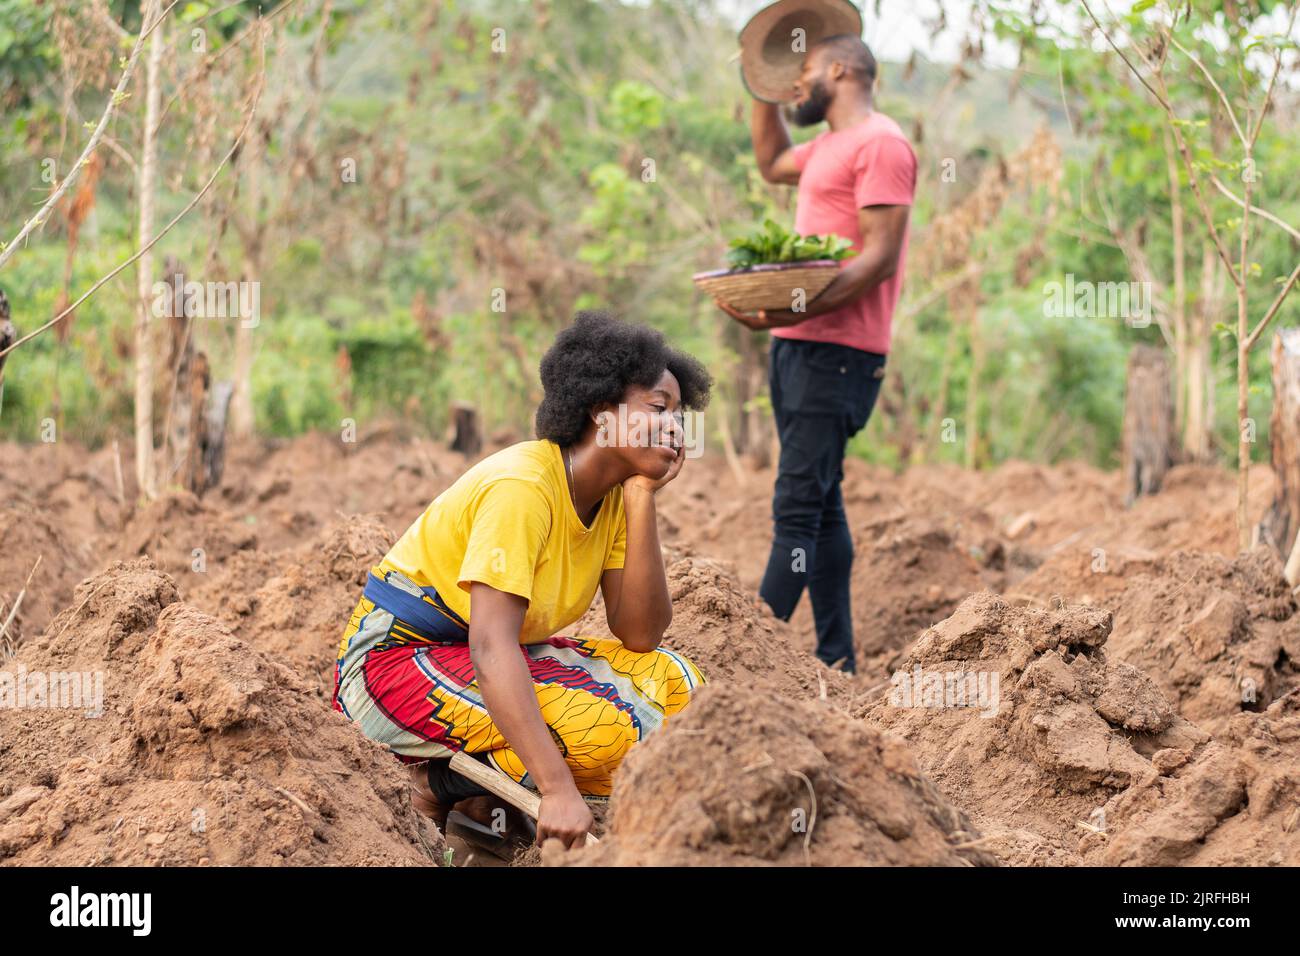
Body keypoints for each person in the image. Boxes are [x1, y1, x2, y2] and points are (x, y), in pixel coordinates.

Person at [332, 310, 712, 849]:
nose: (676, 427)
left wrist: (642, 498)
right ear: (602, 412)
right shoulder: (523, 486)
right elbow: (489, 646)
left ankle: (487, 803)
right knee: (606, 730)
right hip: (391, 669)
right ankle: (434, 784)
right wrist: (558, 790)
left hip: (486, 659)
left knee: (681, 683)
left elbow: (642, 636)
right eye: (658, 409)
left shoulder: (613, 497)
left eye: (679, 414)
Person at [715, 34, 917, 674]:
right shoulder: (830, 144)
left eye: (802, 73)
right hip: (799, 347)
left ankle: (736, 666)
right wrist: (762, 86)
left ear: (839, 69)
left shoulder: (881, 143)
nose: (797, 85)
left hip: (838, 353)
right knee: (824, 506)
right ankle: (837, 658)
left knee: (796, 509)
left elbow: (880, 258)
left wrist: (789, 309)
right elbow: (772, 160)